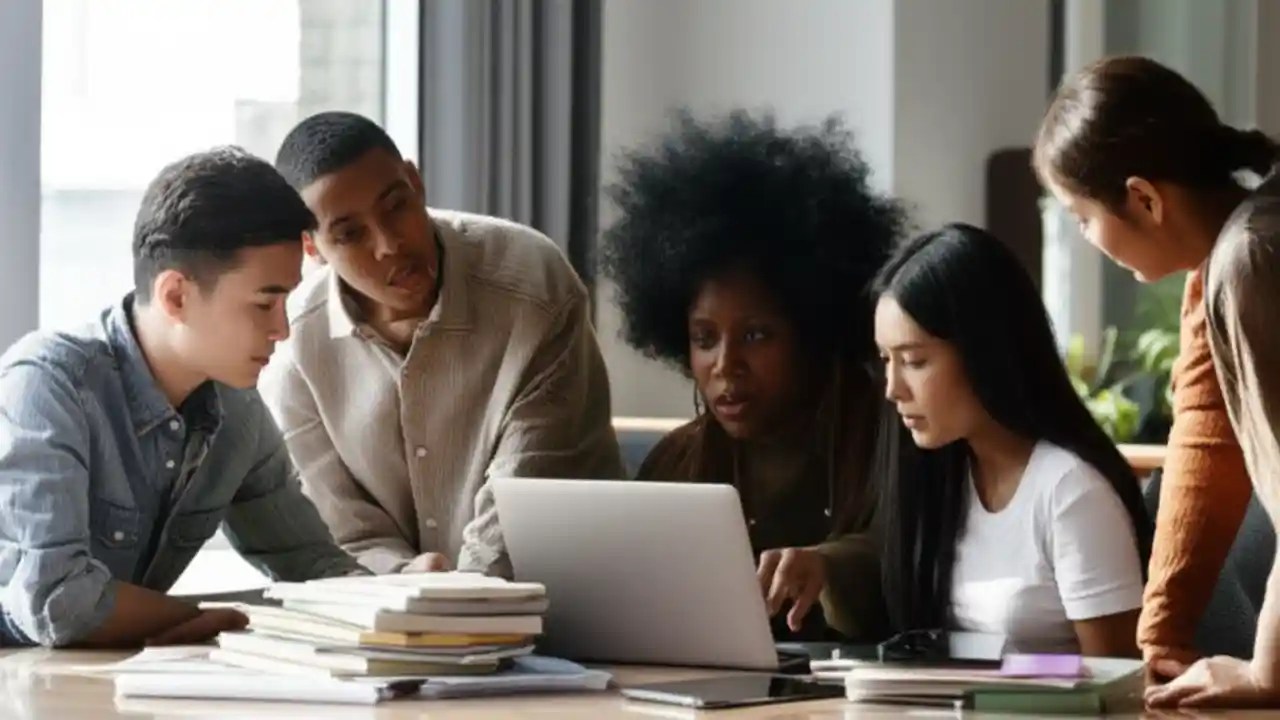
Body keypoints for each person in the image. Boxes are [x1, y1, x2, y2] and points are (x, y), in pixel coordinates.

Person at [0, 148, 366, 648]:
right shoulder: (47, 383)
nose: (282, 329)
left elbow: (312, 566)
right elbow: (57, 602)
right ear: (175, 296)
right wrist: (218, 617)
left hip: (102, 680)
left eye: (286, 303)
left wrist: (407, 599)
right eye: (264, 302)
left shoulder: (239, 413)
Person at [264, 112, 623, 578]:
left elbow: (519, 512)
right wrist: (403, 583)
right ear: (311, 248)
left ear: (415, 182)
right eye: (350, 234)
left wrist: (446, 610)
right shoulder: (292, 345)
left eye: (396, 205)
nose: (389, 244)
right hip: (395, 619)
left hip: (575, 599)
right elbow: (342, 533)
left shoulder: (532, 285)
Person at [598, 111, 903, 642]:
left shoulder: (893, 436)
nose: (725, 364)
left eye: (757, 335)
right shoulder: (676, 462)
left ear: (814, 328)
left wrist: (829, 567)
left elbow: (912, 563)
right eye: (704, 338)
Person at [1035, 54, 1280, 707]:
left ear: (1144, 198)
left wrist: (1266, 671)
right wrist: (1162, 643)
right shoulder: (1220, 261)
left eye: (1081, 217)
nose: (1086, 238)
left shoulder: (1251, 255)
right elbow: (1204, 439)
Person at [873, 223, 1152, 656]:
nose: (893, 387)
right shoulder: (941, 478)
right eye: (885, 360)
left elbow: (1118, 684)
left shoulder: (1070, 491)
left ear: (984, 350)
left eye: (913, 360)